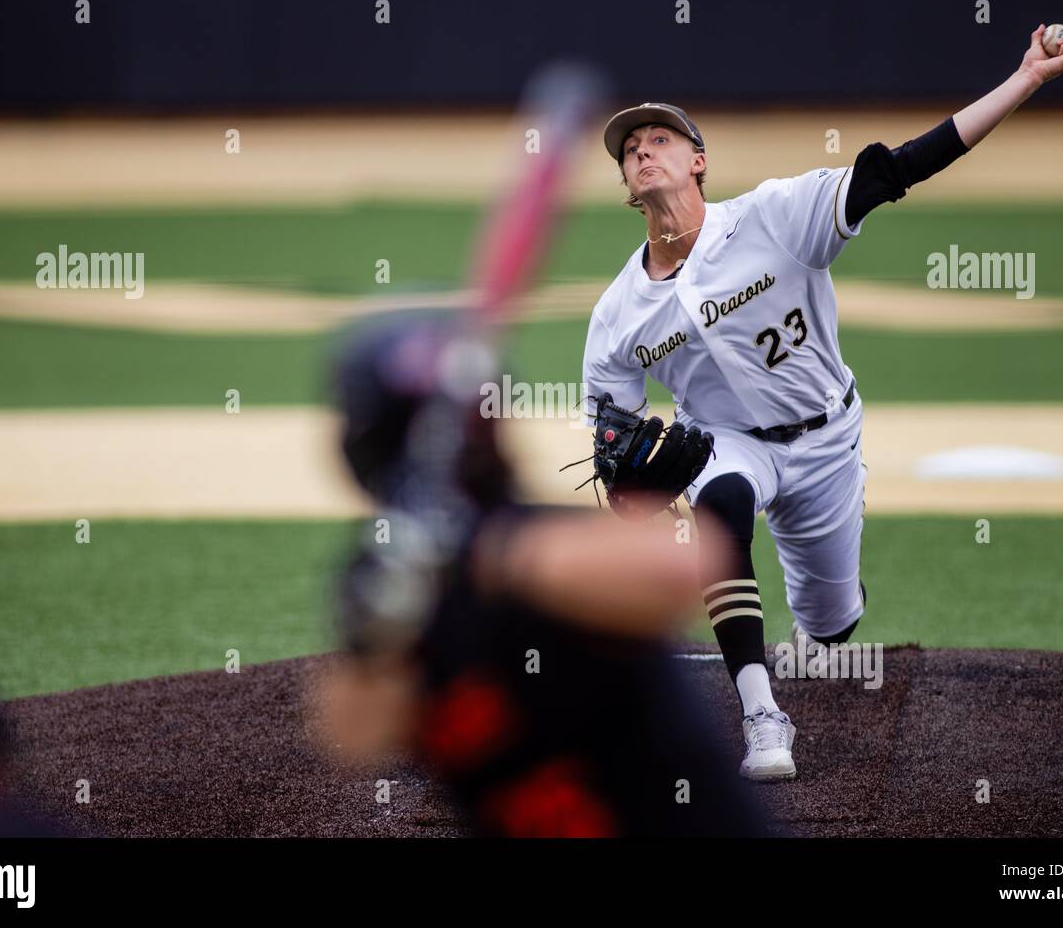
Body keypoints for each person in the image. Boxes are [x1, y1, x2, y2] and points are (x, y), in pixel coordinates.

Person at [581, 25, 1063, 781]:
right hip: (727, 442)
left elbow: (903, 166)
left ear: (698, 161)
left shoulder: (776, 216)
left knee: (831, 627)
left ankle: (831, 603)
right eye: (629, 148)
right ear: (626, 182)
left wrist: (1026, 80)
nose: (642, 151)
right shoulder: (617, 315)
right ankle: (762, 715)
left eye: (660, 138)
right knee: (717, 505)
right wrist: (640, 490)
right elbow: (617, 472)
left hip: (826, 444)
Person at [316, 315, 766, 836]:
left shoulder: (544, 546)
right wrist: (370, 638)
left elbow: (686, 567)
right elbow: (354, 735)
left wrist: (484, 551)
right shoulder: (397, 584)